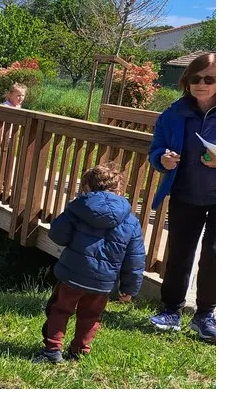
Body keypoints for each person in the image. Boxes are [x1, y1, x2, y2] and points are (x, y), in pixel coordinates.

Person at [32, 164, 146, 364]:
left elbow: (57, 235)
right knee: (91, 315)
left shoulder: (78, 208)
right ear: (120, 191)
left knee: (60, 309)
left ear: (86, 188)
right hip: (104, 280)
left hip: (73, 273)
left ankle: (52, 351)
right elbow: (135, 258)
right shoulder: (130, 220)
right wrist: (129, 288)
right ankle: (79, 350)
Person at [147, 52, 216, 343]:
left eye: (209, 78)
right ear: (186, 82)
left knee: (215, 257)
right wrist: (163, 159)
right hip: (185, 194)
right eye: (195, 78)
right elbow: (155, 150)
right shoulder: (172, 114)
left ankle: (204, 315)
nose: (201, 84)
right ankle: (171, 310)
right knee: (179, 253)